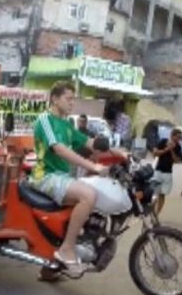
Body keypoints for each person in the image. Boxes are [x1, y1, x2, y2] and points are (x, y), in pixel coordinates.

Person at [31, 81, 119, 275]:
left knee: (93, 191)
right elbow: (59, 149)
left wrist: (121, 154)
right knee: (88, 195)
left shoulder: (67, 124)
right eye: (68, 99)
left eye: (73, 99)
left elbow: (89, 142)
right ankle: (67, 249)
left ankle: (50, 268)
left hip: (61, 176)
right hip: (44, 176)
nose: (72, 103)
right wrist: (92, 166)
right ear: (54, 99)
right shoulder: (45, 120)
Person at [152, 128, 182, 216]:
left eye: (180, 137)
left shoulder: (178, 147)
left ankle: (157, 214)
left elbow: (177, 160)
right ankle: (152, 211)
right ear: (172, 136)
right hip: (158, 170)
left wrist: (172, 150)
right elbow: (155, 153)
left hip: (168, 172)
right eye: (178, 137)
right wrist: (167, 149)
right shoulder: (163, 141)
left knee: (162, 194)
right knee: (154, 193)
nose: (179, 139)